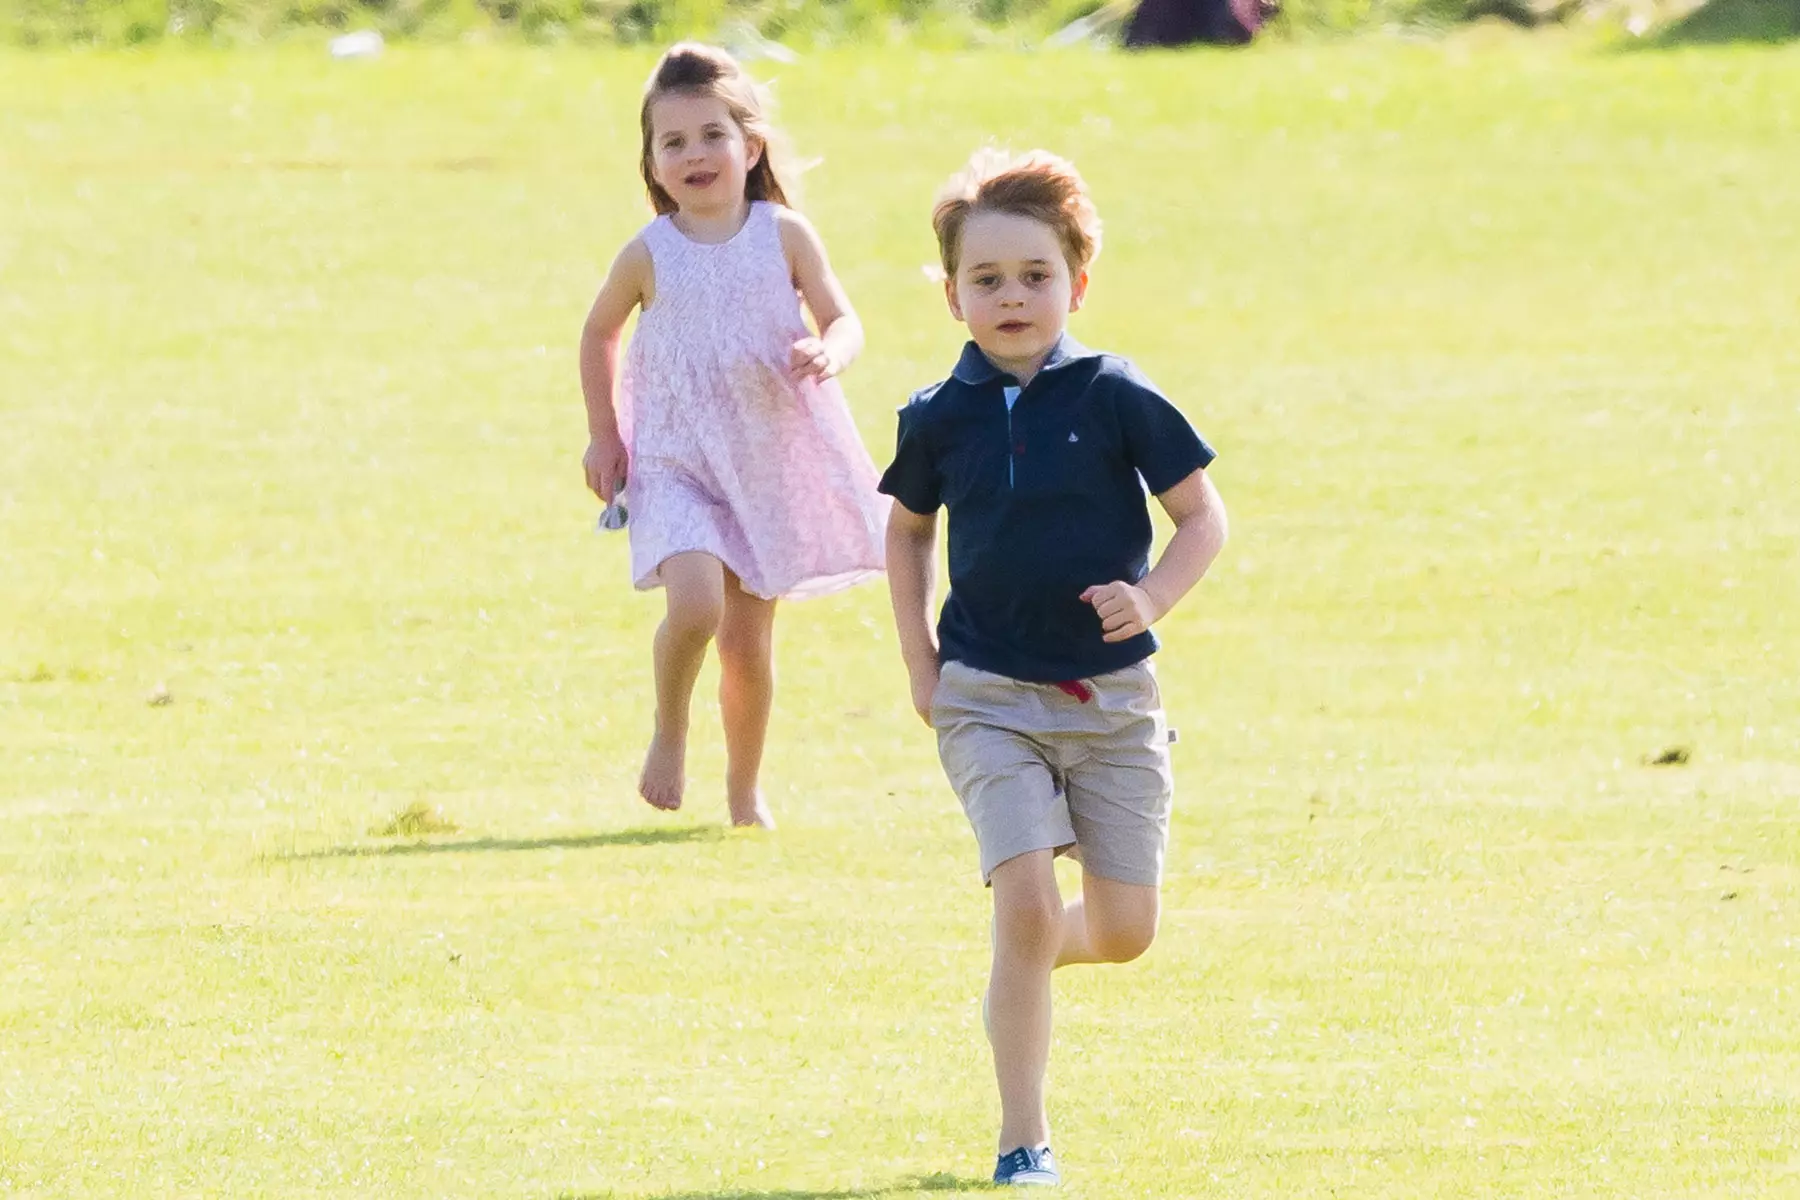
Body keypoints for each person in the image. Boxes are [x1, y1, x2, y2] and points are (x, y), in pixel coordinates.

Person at [880, 148, 1229, 1186]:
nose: (1011, 296)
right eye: (986, 280)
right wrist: (921, 661)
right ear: (952, 296)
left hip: (1115, 700)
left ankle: (1016, 974)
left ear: (1077, 283)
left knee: (1122, 933)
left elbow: (1204, 517)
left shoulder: (1118, 394)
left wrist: (1154, 597)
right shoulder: (936, 414)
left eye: (1034, 275)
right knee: (1025, 898)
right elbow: (904, 535)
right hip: (985, 695)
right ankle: (1021, 1138)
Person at [579, 42, 887, 828]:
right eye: (672, 142)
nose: (694, 154)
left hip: (763, 461)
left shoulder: (783, 234)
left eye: (712, 135)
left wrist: (831, 349)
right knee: (694, 606)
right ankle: (669, 733)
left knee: (748, 649)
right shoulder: (650, 253)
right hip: (677, 462)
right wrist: (604, 434)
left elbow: (844, 317)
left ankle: (745, 792)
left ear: (750, 147)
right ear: (652, 164)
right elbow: (599, 335)